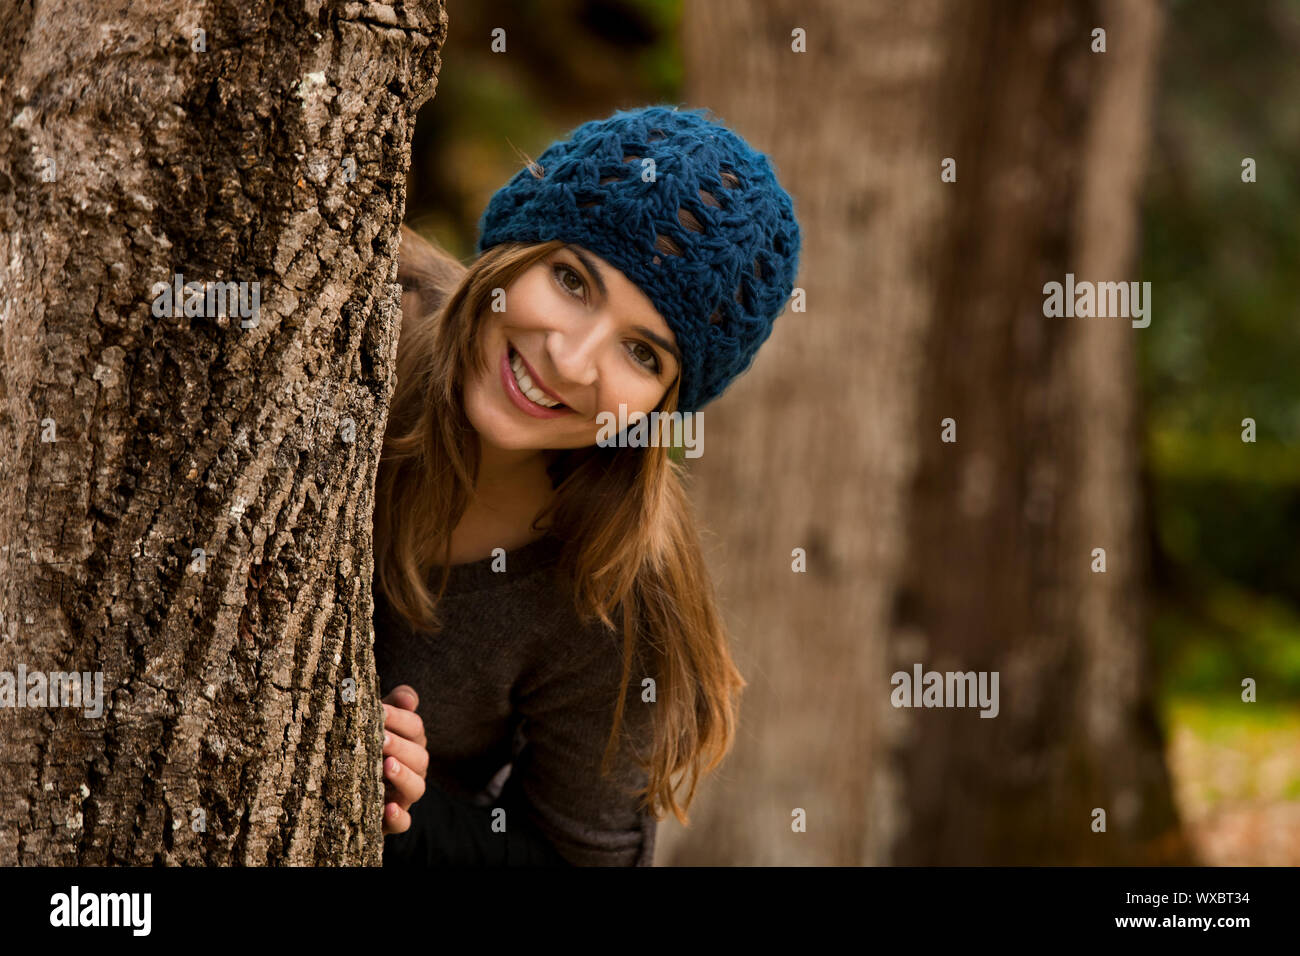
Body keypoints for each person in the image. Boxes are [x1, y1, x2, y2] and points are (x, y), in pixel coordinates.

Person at [372, 104, 802, 866]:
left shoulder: (617, 594)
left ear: (664, 407)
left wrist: (401, 803)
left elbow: (580, 860)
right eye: (573, 281)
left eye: (641, 353)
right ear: (517, 247)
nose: (571, 362)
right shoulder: (361, 312)